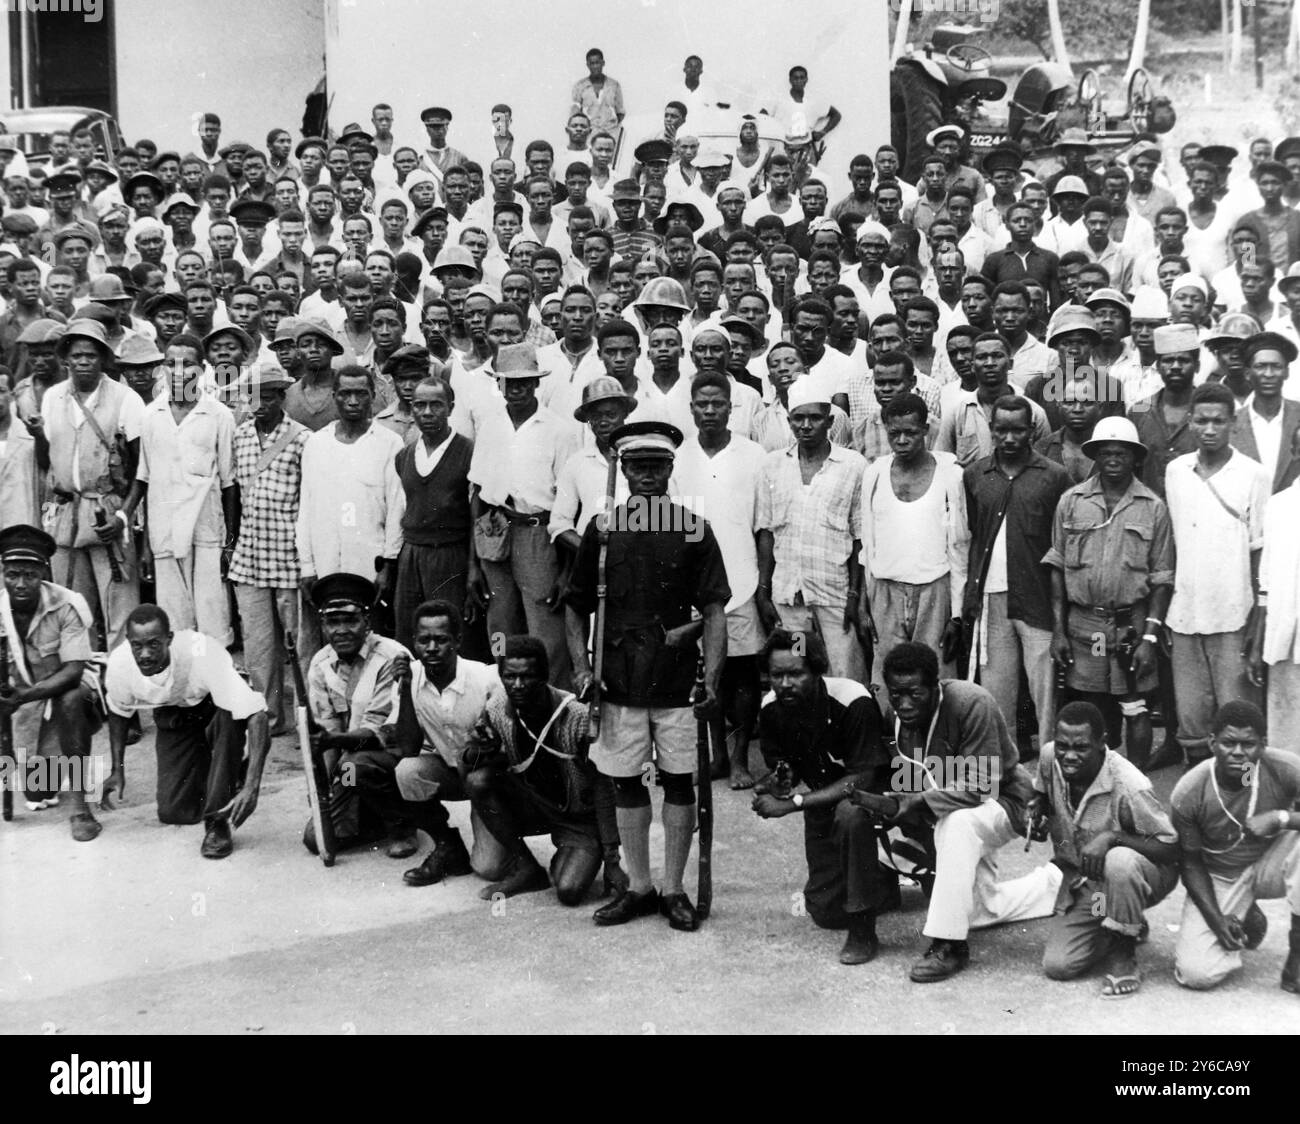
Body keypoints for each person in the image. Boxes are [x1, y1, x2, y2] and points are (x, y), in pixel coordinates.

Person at [564, 420, 730, 932]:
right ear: (624, 470)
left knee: (680, 783)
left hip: (678, 679)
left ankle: (674, 889)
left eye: (657, 466)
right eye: (637, 466)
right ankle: (639, 885)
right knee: (625, 782)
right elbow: (573, 606)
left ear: (670, 469)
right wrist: (581, 668)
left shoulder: (694, 529)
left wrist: (714, 681)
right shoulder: (603, 530)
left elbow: (715, 609)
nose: (648, 475)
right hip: (618, 677)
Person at [865, 642, 1059, 982]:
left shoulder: (972, 702)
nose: (904, 704)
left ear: (935, 686)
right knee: (979, 910)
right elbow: (911, 777)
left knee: (957, 825)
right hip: (945, 807)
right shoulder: (895, 717)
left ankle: (949, 943)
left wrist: (920, 803)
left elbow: (983, 784)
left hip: (1003, 802)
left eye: (915, 693)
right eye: (896, 694)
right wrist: (901, 809)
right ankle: (1053, 884)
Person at [752, 628, 891, 964]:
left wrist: (792, 803)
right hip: (824, 800)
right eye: (777, 675)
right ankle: (882, 883)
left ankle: (863, 927)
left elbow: (862, 779)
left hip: (876, 796)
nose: (785, 684)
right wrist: (776, 781)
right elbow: (788, 769)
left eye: (796, 673)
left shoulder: (853, 699)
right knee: (825, 911)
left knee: (851, 814)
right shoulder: (771, 707)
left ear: (817, 671)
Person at [1025, 701, 1180, 998]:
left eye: (1081, 747)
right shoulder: (1049, 757)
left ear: (1101, 743)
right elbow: (1041, 792)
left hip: (1146, 873)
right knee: (1059, 965)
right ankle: (1122, 917)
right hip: (1091, 885)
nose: (1069, 756)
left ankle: (1124, 954)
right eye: (1063, 745)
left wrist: (1113, 838)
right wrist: (1037, 807)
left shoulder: (1130, 784)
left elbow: (1170, 849)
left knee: (1119, 861)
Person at [1045, 416, 1174, 767]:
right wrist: (1059, 630)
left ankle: (1136, 785)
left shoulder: (1153, 507)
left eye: (1122, 452)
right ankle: (1089, 785)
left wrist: (1149, 638)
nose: (1113, 459)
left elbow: (1163, 578)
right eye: (1106, 452)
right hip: (1086, 627)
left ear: (1135, 458)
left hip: (1129, 627)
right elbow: (1056, 566)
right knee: (1086, 708)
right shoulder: (1071, 501)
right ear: (1096, 456)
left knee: (1135, 706)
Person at [460, 635, 623, 903]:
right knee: (479, 781)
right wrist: (477, 752)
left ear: (545, 675)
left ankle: (573, 851)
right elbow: (467, 765)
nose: (518, 685)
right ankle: (527, 868)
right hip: (533, 805)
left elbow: (604, 787)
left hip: (577, 818)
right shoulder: (497, 708)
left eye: (527, 677)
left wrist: (612, 858)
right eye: (510, 676)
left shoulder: (576, 716)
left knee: (569, 891)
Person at [104, 604, 269, 858]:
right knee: (174, 812)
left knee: (231, 718)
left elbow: (257, 716)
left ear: (169, 639)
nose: (145, 654)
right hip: (176, 715)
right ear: (128, 642)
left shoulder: (201, 652)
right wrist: (117, 769)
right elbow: (118, 712)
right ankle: (224, 772)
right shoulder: (119, 662)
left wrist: (252, 787)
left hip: (215, 708)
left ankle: (217, 821)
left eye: (154, 644)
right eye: (138, 646)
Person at [1163, 382, 1269, 770]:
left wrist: (1259, 614)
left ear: (1232, 423)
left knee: (1237, 716)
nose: (1209, 429)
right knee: (1192, 719)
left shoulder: (1254, 474)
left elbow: (1259, 548)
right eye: (1202, 420)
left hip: (1233, 613)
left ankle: (1243, 797)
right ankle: (1199, 798)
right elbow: (1173, 540)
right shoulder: (1176, 471)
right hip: (1185, 611)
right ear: (1191, 422)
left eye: (1218, 421)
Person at [963, 395, 1071, 753]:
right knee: (997, 690)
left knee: (1045, 690)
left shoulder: (1054, 476)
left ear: (1031, 431)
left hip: (1037, 597)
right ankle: (1005, 768)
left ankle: (1051, 763)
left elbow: (1062, 543)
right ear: (992, 431)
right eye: (1002, 430)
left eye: (1018, 430)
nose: (1010, 438)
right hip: (992, 600)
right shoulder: (976, 474)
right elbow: (974, 536)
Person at [674, 371, 766, 788]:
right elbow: (673, 524)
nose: (709, 411)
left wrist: (762, 585)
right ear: (691, 408)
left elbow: (764, 527)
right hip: (696, 586)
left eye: (718, 404)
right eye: (702, 404)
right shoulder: (678, 455)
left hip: (743, 579)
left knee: (743, 676)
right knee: (706, 673)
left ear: (732, 407)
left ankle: (742, 758)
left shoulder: (754, 455)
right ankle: (717, 757)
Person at [1170, 701, 1300, 994]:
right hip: (1222, 876)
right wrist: (1217, 922)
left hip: (1274, 863)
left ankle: (1298, 958)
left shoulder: (1286, 767)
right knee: (1197, 974)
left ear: (1263, 745)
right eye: (1229, 743)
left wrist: (1281, 818)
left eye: (1249, 744)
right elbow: (1189, 863)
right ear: (1212, 742)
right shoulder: (1189, 791)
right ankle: (1246, 912)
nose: (1239, 752)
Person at [469, 343, 575, 688]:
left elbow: (569, 504)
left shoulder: (558, 430)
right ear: (498, 384)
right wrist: (474, 563)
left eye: (524, 382)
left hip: (538, 535)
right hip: (497, 530)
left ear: (536, 383)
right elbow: (479, 493)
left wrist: (566, 571)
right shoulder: (491, 425)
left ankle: (555, 705)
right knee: (500, 625)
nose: (516, 389)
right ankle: (505, 698)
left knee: (546, 630)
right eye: (508, 382)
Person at [119, 334, 236, 647]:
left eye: (189, 365)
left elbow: (228, 482)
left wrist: (230, 543)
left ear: (203, 369)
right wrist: (145, 547)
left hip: (207, 530)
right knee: (175, 618)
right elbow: (144, 478)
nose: (180, 371)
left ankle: (215, 687)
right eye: (171, 364)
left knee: (212, 616)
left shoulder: (219, 415)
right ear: (162, 369)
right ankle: (184, 689)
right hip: (165, 531)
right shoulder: (150, 415)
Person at [40, 319, 144, 649]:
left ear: (103, 359)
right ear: (65, 360)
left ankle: (122, 691)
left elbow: (143, 470)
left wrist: (123, 518)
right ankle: (84, 690)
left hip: (107, 513)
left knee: (120, 610)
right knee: (72, 610)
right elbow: (46, 460)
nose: (83, 362)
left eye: (91, 355)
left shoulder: (126, 399)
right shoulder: (52, 398)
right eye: (76, 355)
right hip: (64, 514)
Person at [756, 379, 869, 681]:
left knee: (843, 676)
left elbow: (860, 538)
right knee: (797, 671)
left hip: (835, 596)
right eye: (798, 418)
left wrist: (855, 596)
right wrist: (764, 593)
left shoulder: (854, 466)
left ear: (830, 421)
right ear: (789, 421)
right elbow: (766, 533)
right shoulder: (772, 466)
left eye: (815, 418)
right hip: (790, 599)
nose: (806, 426)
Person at [303, 573, 420, 857]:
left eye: (350, 621)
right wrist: (325, 786)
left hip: (391, 759)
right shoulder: (320, 664)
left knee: (358, 765)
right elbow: (325, 728)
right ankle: (373, 818)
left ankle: (403, 825)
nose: (341, 630)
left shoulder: (392, 657)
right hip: (348, 764)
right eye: (333, 622)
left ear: (367, 623)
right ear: (323, 625)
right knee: (315, 839)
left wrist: (332, 742)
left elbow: (378, 732)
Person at [392, 599, 505, 887]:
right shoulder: (411, 677)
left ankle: (505, 835)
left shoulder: (485, 678)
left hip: (487, 779)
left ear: (457, 641)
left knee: (489, 868)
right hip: (451, 772)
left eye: (440, 640)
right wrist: (405, 690)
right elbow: (407, 748)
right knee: (407, 770)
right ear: (414, 642)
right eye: (423, 640)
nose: (431, 648)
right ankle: (447, 844)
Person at [0, 525, 104, 839]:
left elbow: (73, 670)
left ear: (44, 572)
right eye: (12, 574)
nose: (20, 584)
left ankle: (80, 806)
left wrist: (22, 696)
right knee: (38, 790)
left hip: (63, 692)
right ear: (3, 572)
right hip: (25, 707)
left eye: (30, 575)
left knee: (72, 697)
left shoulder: (67, 603)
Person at [859, 393, 968, 684]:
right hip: (885, 590)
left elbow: (958, 546)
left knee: (934, 679)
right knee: (887, 681)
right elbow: (867, 544)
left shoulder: (950, 475)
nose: (903, 440)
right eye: (895, 433)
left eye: (911, 432)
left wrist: (955, 615)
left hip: (934, 590)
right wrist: (864, 603)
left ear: (926, 431)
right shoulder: (874, 473)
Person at [297, 365, 405, 653]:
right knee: (333, 642)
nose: (353, 401)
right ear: (335, 396)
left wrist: (388, 565)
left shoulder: (389, 443)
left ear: (372, 396)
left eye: (361, 394)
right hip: (326, 564)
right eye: (345, 394)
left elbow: (396, 508)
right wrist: (308, 567)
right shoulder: (316, 444)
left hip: (369, 563)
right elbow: (306, 508)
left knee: (373, 642)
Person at [227, 365, 309, 736]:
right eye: (253, 396)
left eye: (268, 396)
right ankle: (269, 720)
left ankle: (311, 720)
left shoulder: (302, 439)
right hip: (249, 556)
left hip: (289, 556)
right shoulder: (240, 436)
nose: (259, 404)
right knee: (259, 649)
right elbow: (233, 494)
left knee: (300, 645)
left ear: (282, 398)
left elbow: (310, 502)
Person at [393, 378, 478, 653]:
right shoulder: (404, 455)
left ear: (450, 408)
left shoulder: (468, 452)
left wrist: (473, 568)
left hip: (450, 555)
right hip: (412, 555)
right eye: (420, 405)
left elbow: (478, 517)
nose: (427, 412)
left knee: (448, 634)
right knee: (408, 632)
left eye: (435, 405)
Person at [1231, 332, 1300, 493]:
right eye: (1260, 366)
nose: (1268, 374)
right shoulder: (1231, 423)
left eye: (1276, 366)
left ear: (1286, 372)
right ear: (1247, 373)